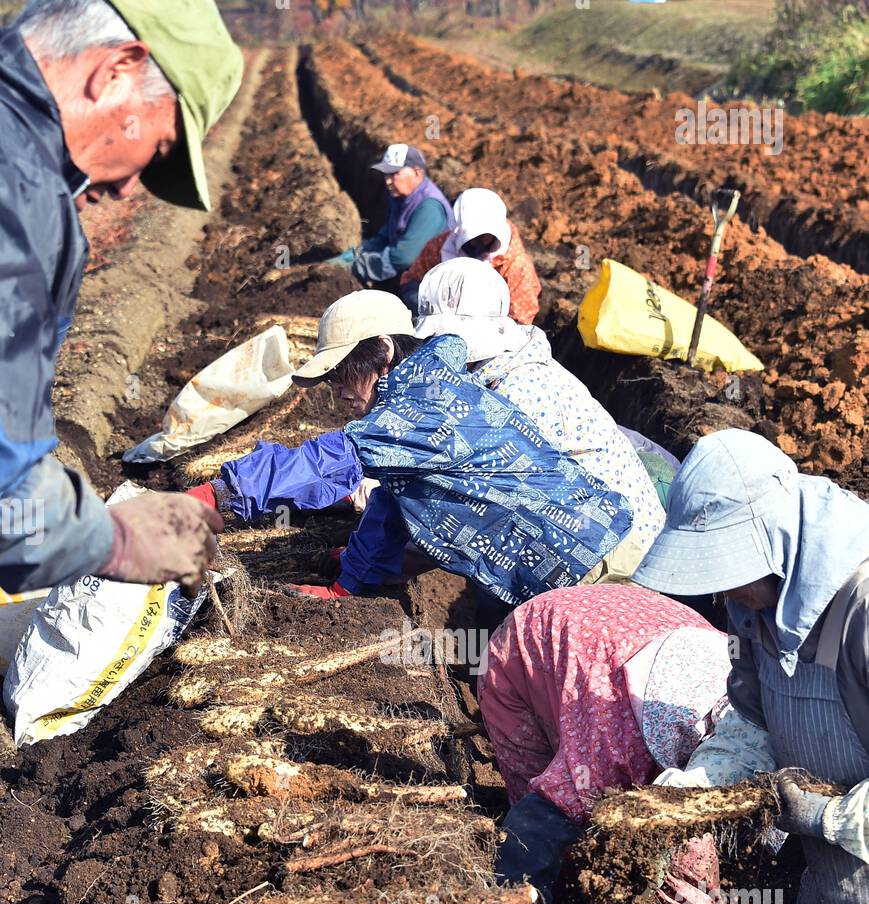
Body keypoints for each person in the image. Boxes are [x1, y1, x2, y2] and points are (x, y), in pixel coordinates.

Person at [633, 428, 869, 904]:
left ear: (774, 540)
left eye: (731, 566)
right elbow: (755, 719)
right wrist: (694, 790)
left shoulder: (862, 608)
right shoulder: (756, 613)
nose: (724, 590)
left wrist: (825, 816)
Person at [187, 290, 634, 613]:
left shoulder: (420, 408)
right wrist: (352, 582)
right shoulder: (421, 387)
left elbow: (320, 466)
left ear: (382, 351)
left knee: (533, 689)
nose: (338, 391)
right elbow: (394, 502)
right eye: (331, 380)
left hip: (587, 562)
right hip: (563, 553)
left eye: (343, 373)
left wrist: (211, 498)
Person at [0, 0, 242, 597]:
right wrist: (117, 539)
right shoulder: (22, 204)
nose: (130, 186)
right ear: (118, 69)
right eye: (158, 149)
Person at [477, 583, 734, 904]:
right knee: (553, 812)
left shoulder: (756, 700)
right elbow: (546, 814)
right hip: (529, 651)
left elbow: (691, 859)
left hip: (627, 633)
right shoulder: (617, 743)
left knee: (682, 844)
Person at [415, 258, 665, 566]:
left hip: (622, 551)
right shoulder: (504, 367)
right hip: (596, 531)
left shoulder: (521, 388)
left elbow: (493, 497)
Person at [400, 187, 541, 322]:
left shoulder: (516, 266)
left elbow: (520, 318)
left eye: (485, 236)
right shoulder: (439, 247)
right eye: (473, 237)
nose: (479, 242)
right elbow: (412, 281)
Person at [329, 143, 453, 287]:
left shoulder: (429, 207)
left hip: (432, 284)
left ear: (417, 172)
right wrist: (351, 257)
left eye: (395, 174)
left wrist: (355, 268)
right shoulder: (400, 199)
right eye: (386, 174)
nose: (387, 181)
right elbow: (385, 238)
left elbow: (403, 257)